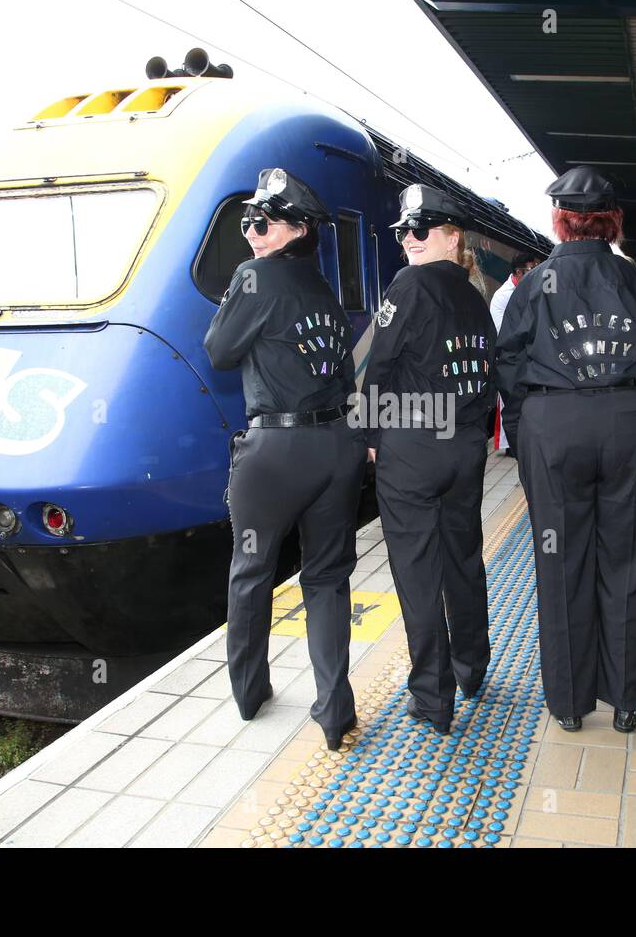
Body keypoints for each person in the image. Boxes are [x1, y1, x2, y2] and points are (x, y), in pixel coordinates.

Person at [495, 165, 636, 734]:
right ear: (613, 223)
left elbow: (510, 365)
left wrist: (526, 434)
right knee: (625, 562)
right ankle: (625, 699)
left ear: (559, 222)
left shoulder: (534, 284)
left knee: (559, 562)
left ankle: (569, 703)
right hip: (628, 425)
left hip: (554, 425)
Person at [203, 167, 366, 752]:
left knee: (251, 572)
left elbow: (219, 351)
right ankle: (334, 710)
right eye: (248, 220)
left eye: (263, 221)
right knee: (327, 580)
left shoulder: (253, 277)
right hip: (334, 449)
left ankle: (250, 694)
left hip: (273, 454)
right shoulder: (323, 290)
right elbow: (345, 374)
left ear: (296, 228)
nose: (251, 229)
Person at [363, 183, 496, 735]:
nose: (409, 240)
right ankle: (473, 667)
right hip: (463, 447)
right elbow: (490, 373)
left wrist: (370, 432)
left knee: (418, 572)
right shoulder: (475, 294)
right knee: (462, 557)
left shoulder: (409, 284)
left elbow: (380, 363)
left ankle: (432, 697)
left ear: (451, 236)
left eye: (421, 230)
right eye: (403, 232)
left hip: (413, 447)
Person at [489, 252, 539, 453]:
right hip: (510, 355)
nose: (535, 273)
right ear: (519, 272)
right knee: (509, 402)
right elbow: (503, 332)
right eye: (531, 270)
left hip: (526, 354)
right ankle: (509, 445)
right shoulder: (503, 295)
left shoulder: (532, 288)